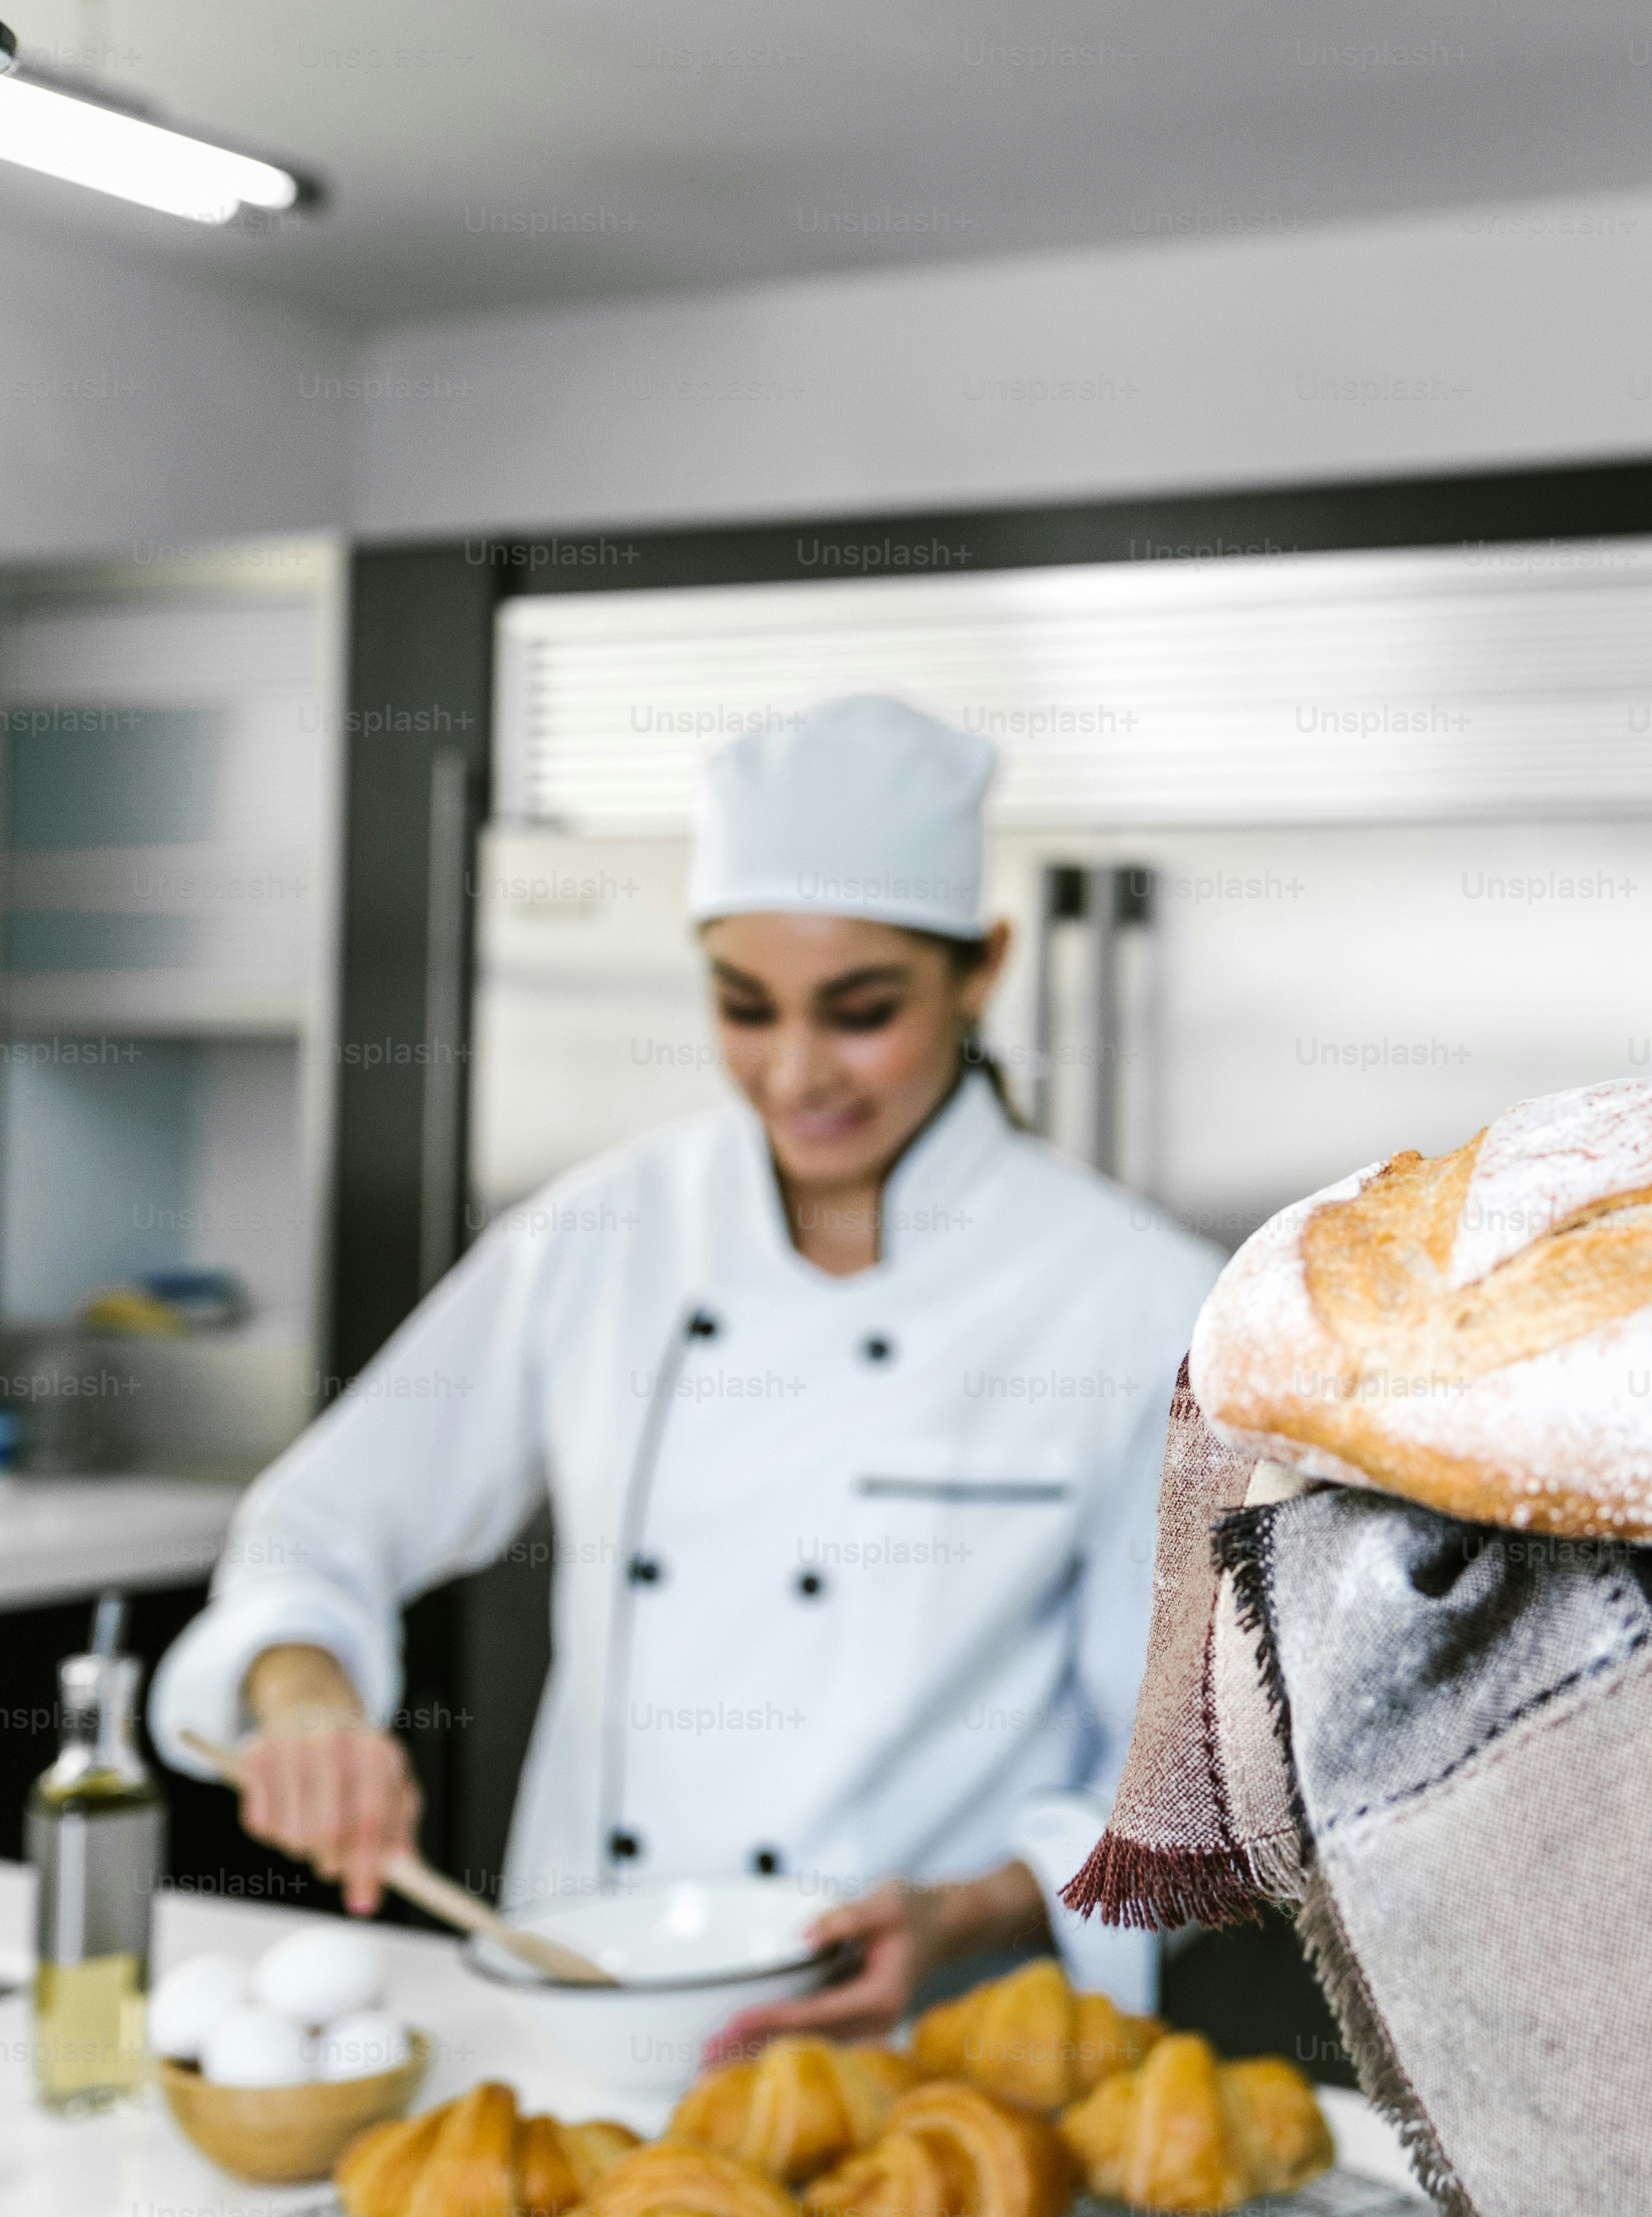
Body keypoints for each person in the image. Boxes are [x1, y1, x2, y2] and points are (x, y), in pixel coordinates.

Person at [155, 696, 1219, 2041]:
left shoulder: (1139, 1303)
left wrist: (978, 1911)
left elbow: (1191, 1782)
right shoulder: (604, 1235)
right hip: (576, 2020)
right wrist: (302, 1694)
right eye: (743, 1006)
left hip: (916, 2067)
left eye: (861, 1012)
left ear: (983, 968)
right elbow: (318, 1524)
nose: (793, 1072)